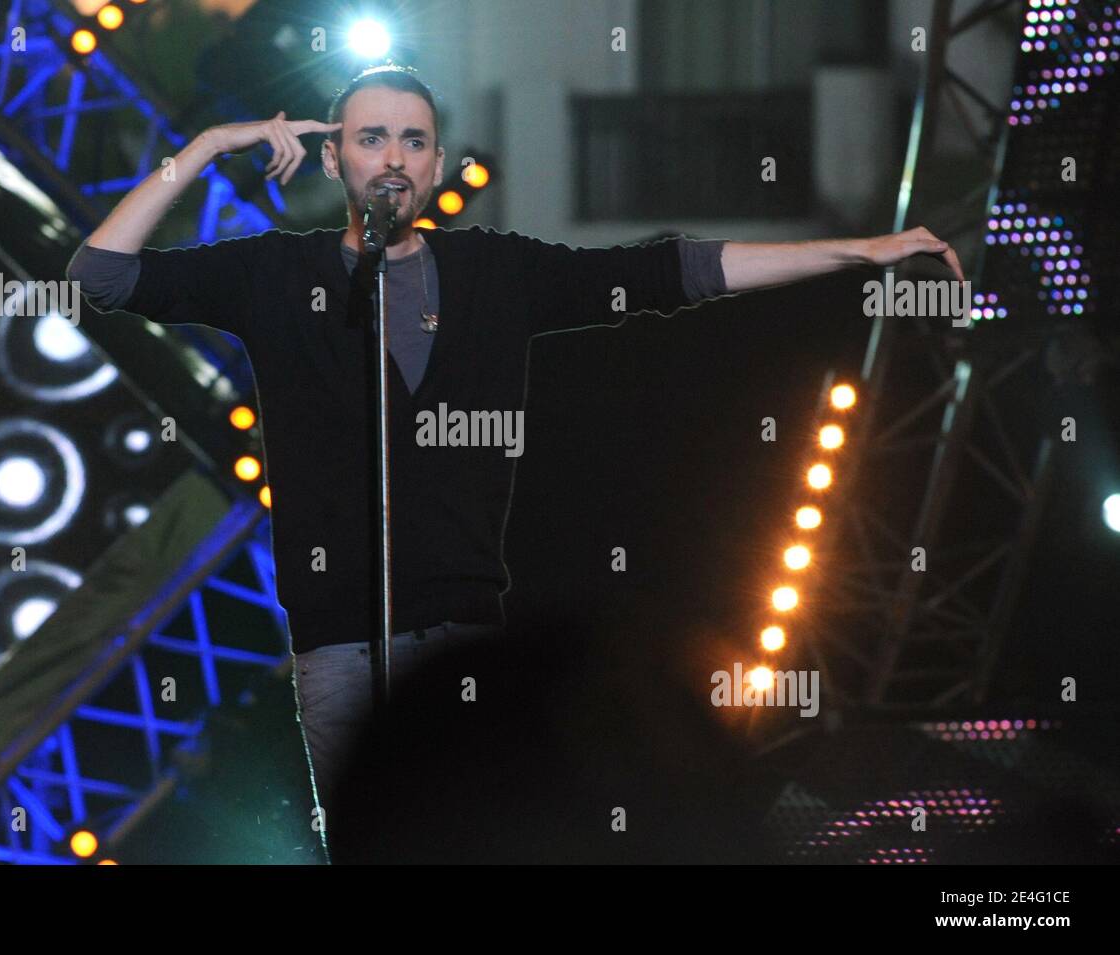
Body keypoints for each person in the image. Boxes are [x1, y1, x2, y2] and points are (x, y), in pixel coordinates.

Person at [66, 64, 964, 853]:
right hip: (338, 637)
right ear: (334, 157)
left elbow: (666, 273)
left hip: (459, 630)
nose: (392, 158)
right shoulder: (268, 274)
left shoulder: (498, 275)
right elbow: (98, 277)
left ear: (437, 165)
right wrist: (212, 143)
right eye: (370, 137)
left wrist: (860, 250)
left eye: (413, 141)